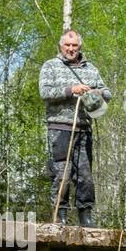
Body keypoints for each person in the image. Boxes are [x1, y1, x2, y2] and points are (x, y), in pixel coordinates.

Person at [38, 29, 111, 226]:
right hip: (59, 129)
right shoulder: (50, 66)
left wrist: (97, 92)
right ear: (61, 46)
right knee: (62, 173)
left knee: (85, 175)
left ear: (80, 47)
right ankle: (59, 215)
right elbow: (45, 93)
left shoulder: (91, 69)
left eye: (75, 45)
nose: (71, 49)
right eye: (67, 45)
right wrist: (71, 90)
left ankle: (85, 216)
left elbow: (108, 92)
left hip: (84, 129)